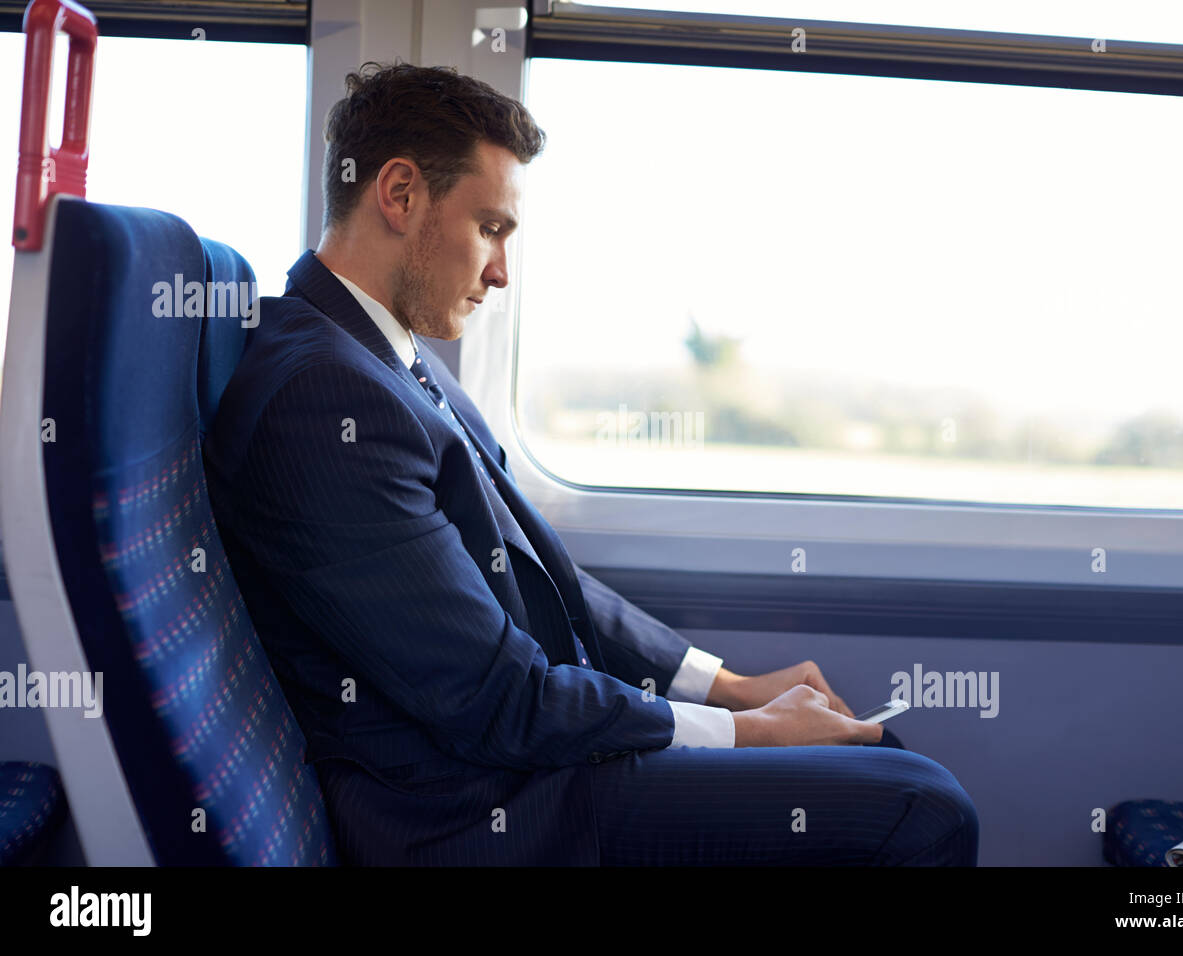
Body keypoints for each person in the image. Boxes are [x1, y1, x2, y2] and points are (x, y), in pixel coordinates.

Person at [202, 61, 978, 866]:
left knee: (881, 752)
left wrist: (725, 687)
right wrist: (750, 734)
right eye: (491, 228)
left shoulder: (388, 360)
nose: (501, 270)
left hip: (514, 763)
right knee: (923, 809)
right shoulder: (327, 396)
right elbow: (497, 701)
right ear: (398, 194)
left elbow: (547, 577)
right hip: (468, 811)